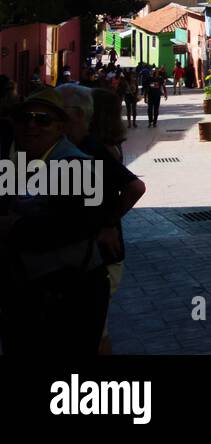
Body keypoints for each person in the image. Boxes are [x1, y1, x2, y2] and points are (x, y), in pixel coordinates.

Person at [0, 89, 110, 356]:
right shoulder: (22, 162)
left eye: (43, 120)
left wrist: (13, 226)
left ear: (61, 127)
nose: (32, 125)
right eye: (25, 118)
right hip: (31, 293)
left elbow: (73, 226)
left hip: (69, 295)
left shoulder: (75, 164)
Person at [62, 86, 145, 355]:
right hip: (94, 254)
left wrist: (107, 223)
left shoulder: (94, 150)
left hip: (102, 256)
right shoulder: (95, 147)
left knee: (94, 332)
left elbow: (135, 187)